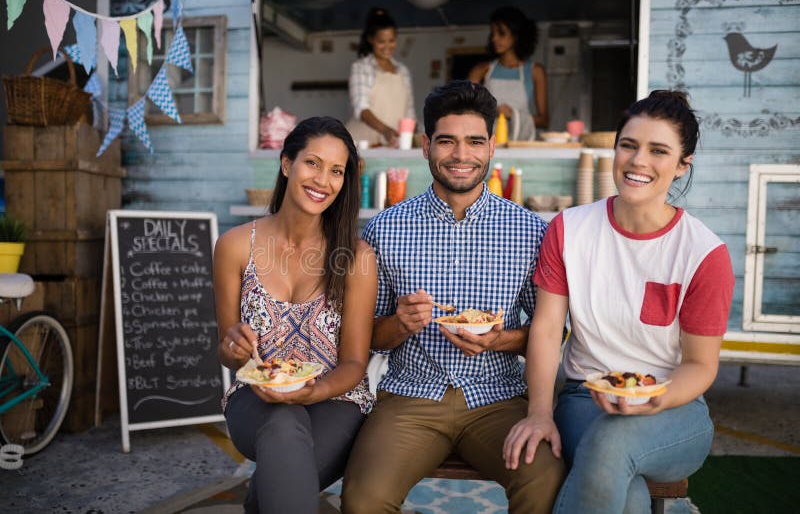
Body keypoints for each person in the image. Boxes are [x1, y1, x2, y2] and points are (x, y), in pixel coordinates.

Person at [503, 90, 735, 512]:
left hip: (675, 410)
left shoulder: (704, 254)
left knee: (612, 443)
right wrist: (539, 411)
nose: (638, 161)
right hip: (585, 400)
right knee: (626, 493)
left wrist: (653, 399)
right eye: (628, 145)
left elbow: (701, 365)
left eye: (658, 151)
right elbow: (547, 328)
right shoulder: (569, 230)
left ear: (684, 166)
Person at [341, 80, 566, 513]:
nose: (461, 155)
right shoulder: (384, 230)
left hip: (499, 400)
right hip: (410, 398)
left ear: (492, 148)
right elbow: (368, 337)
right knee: (363, 499)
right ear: (426, 146)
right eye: (447, 141)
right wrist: (400, 323)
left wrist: (499, 340)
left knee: (545, 482)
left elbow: (551, 331)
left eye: (474, 141)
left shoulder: (532, 231)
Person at [214, 116, 377, 514]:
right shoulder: (235, 246)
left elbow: (355, 362)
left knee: (276, 481)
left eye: (336, 171)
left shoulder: (357, 258)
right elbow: (226, 350)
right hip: (256, 397)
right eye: (313, 163)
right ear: (287, 164)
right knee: (284, 425)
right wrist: (234, 348)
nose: (323, 180)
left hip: (336, 398)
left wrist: (312, 391)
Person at [468, 6, 548, 140]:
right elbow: (467, 114)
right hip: (489, 145)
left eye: (501, 33)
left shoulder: (536, 71)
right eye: (492, 33)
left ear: (517, 35)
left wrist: (513, 114)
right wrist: (491, 112)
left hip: (522, 146)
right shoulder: (481, 70)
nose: (494, 38)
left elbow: (544, 121)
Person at [346, 7, 415, 147]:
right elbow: (360, 108)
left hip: (394, 143)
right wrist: (385, 130)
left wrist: (411, 137)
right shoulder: (361, 67)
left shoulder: (403, 71)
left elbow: (409, 111)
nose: (387, 46)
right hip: (362, 143)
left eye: (392, 40)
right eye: (381, 41)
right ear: (370, 39)